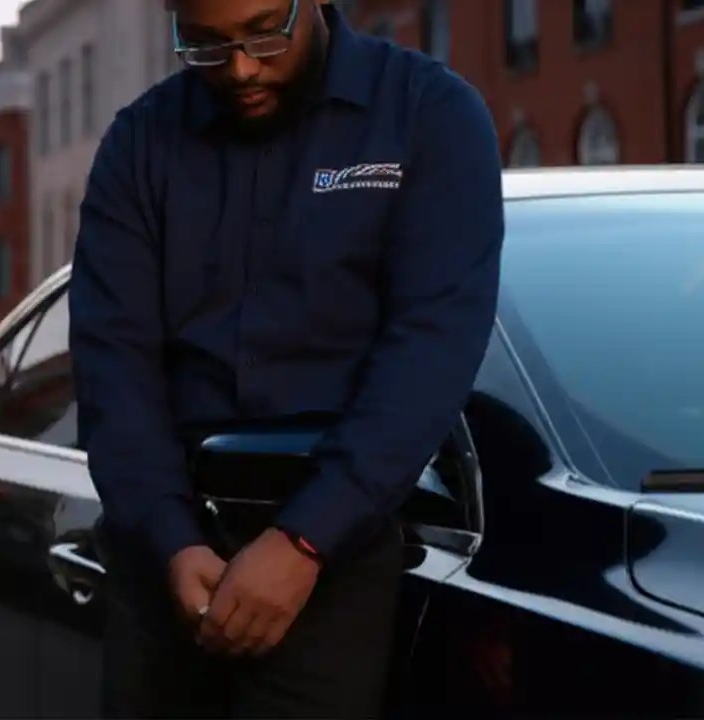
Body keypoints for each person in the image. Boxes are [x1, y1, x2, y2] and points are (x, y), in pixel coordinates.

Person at [68, 0, 504, 717]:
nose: (240, 69)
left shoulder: (430, 117)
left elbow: (431, 351)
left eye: (265, 32)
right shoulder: (139, 144)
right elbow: (113, 366)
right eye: (205, 44)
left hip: (338, 558)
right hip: (166, 559)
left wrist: (306, 541)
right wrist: (173, 542)